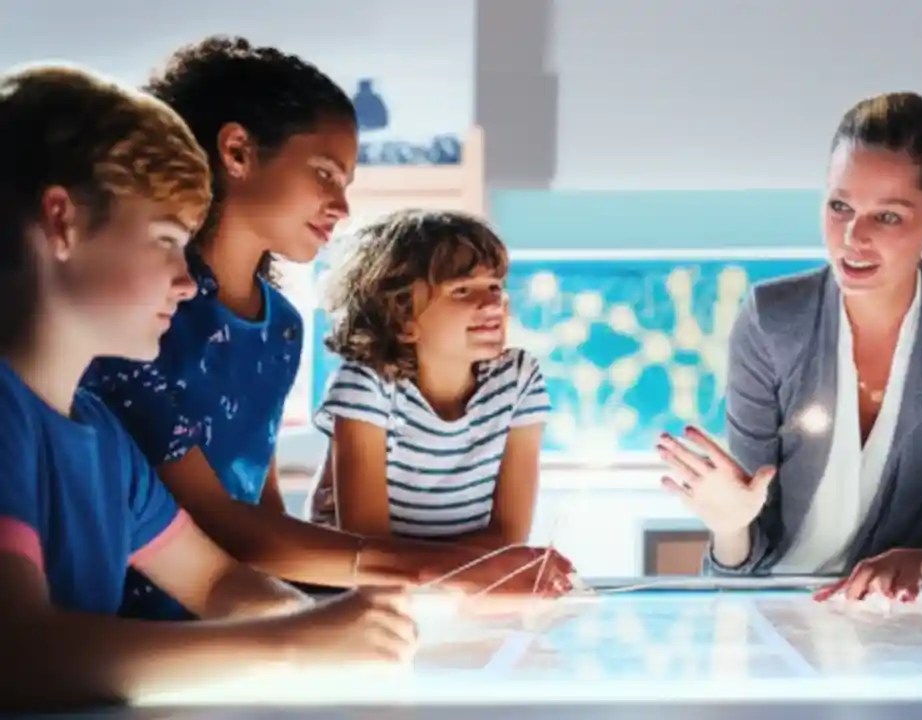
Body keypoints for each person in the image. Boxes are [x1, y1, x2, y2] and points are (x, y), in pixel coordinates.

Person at [81, 37, 571, 621]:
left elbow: (262, 517)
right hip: (130, 629)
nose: (340, 205)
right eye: (324, 174)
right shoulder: (145, 313)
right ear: (237, 151)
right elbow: (218, 523)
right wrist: (439, 571)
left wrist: (301, 617)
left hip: (229, 624)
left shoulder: (282, 326)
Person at [0, 63, 417, 713]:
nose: (188, 280)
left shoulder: (101, 436)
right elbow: (19, 653)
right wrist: (291, 644)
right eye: (167, 241)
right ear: (63, 223)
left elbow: (217, 578)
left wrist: (337, 631)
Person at [655, 92, 922, 601]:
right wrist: (730, 523)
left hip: (900, 613)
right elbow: (738, 561)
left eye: (888, 216)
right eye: (840, 206)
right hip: (772, 608)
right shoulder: (771, 321)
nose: (853, 236)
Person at [306, 209, 552, 551]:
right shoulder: (367, 385)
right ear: (403, 316)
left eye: (494, 286)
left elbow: (509, 537)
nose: (493, 301)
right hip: (356, 590)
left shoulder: (519, 380)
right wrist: (465, 570)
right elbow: (369, 549)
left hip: (456, 587)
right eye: (463, 289)